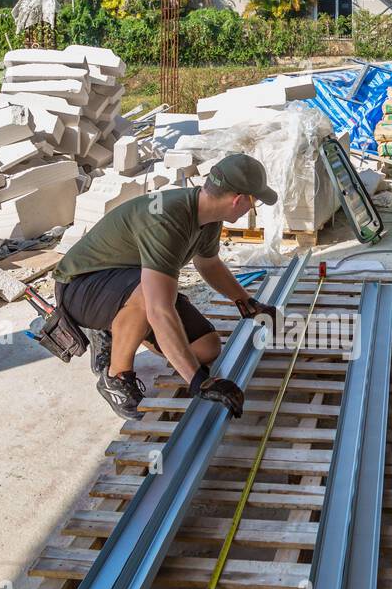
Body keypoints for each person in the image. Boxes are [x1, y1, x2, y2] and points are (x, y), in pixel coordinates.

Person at [51, 153, 281, 420]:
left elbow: (209, 265)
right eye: (254, 204)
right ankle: (116, 378)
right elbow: (159, 309)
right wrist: (199, 382)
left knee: (207, 348)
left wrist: (247, 303)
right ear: (238, 200)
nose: (251, 211)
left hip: (126, 282)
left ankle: (117, 332)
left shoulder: (208, 218)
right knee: (151, 302)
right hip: (81, 286)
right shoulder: (168, 219)